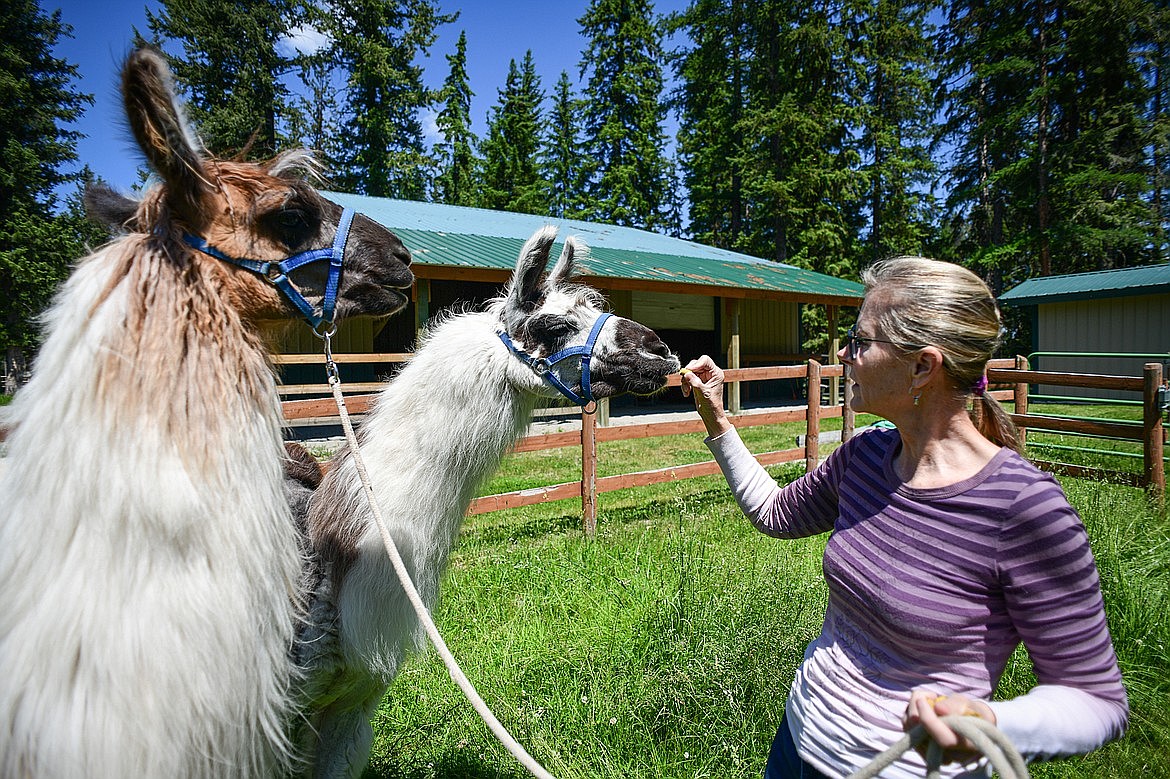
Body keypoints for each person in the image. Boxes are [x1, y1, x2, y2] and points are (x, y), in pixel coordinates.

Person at [680, 256, 1127, 778]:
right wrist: (716, 417)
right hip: (797, 741)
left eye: (860, 340)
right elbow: (776, 514)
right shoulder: (868, 456)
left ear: (922, 367)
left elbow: (1096, 699)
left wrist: (994, 723)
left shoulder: (1023, 508)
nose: (843, 353)